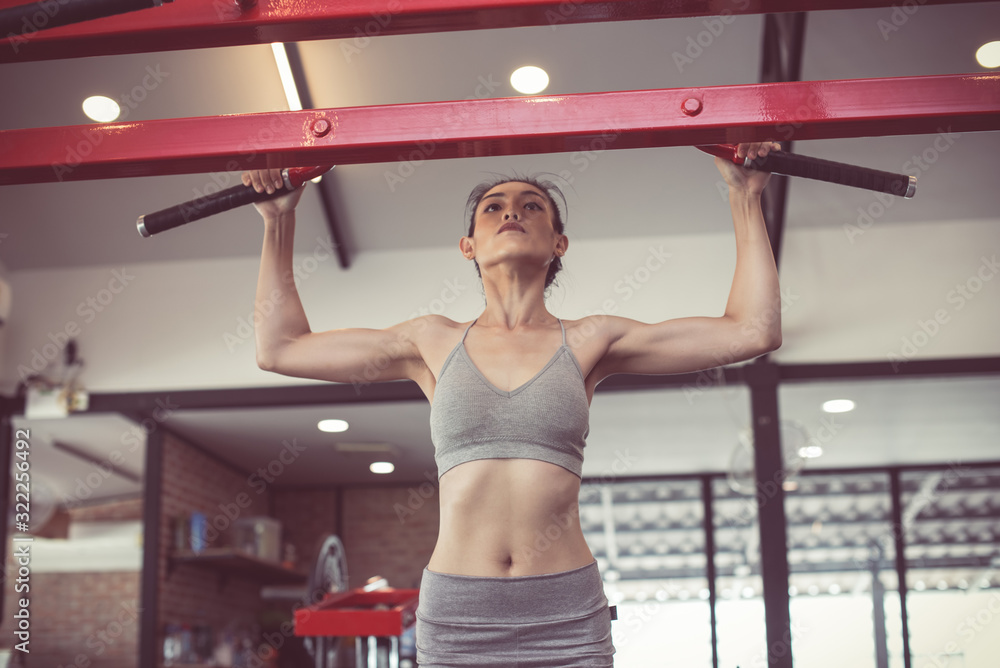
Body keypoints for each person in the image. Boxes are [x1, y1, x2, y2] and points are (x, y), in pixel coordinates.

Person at [243, 140, 782, 667]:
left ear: (559, 244)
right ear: (468, 246)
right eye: (493, 208)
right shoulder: (430, 341)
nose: (511, 213)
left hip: (565, 612)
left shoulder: (594, 339)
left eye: (532, 206)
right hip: (459, 614)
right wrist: (277, 221)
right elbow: (280, 348)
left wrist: (745, 194)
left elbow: (753, 331)